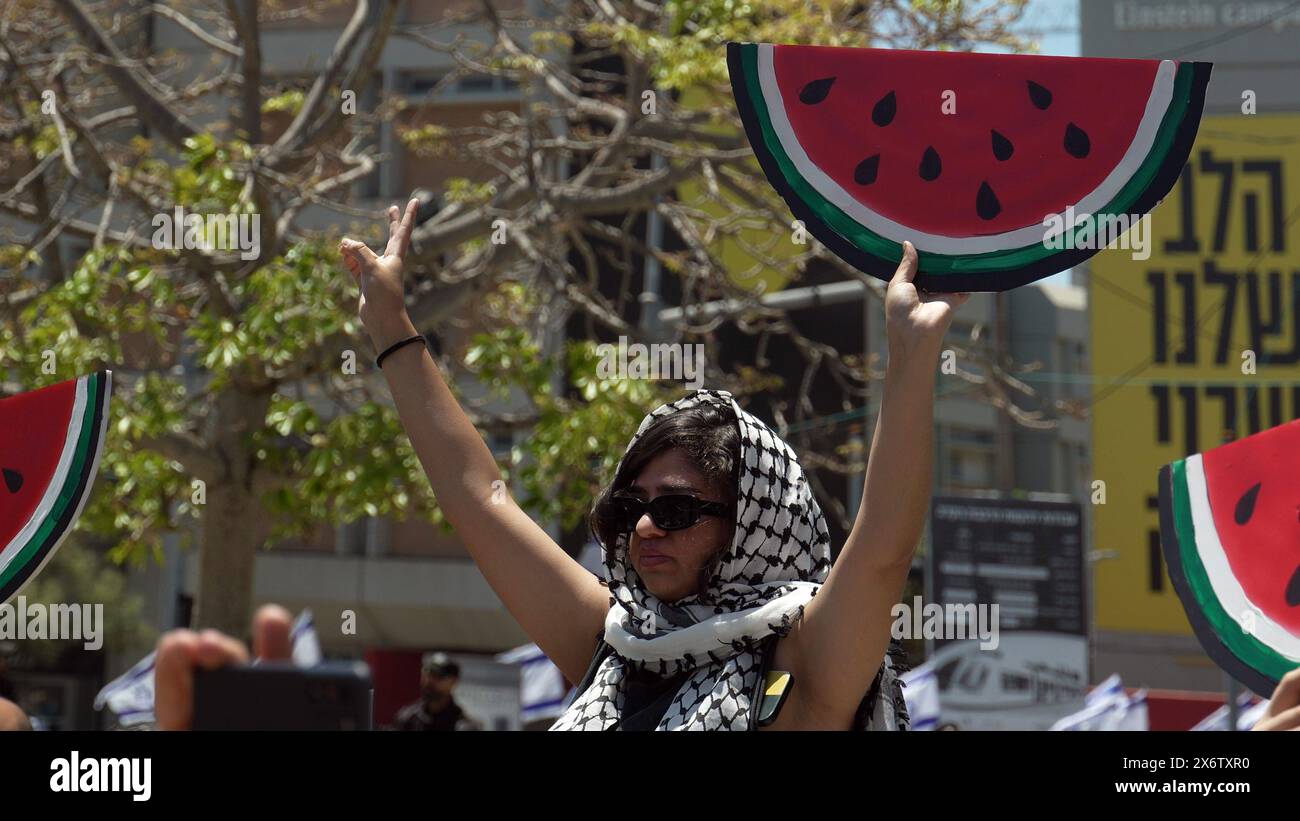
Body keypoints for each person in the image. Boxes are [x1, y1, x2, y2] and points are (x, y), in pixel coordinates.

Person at [335, 200, 968, 730]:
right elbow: (479, 496)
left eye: (675, 510)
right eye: (630, 507)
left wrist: (911, 359)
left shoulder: (801, 662)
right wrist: (392, 328)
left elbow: (883, 548)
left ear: (750, 527)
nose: (643, 530)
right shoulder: (614, 643)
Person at [391, 653, 480, 731]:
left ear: (453, 682)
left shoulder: (463, 726)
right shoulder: (407, 718)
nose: (429, 681)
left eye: (438, 676)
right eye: (427, 675)